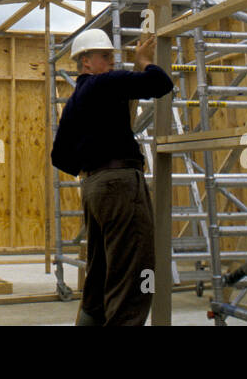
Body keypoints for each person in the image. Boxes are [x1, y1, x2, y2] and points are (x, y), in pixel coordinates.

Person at [51, 29, 173, 326]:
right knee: (137, 274)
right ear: (86, 62)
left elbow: (60, 157)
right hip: (120, 184)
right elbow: (161, 83)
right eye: (104, 56)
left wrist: (91, 161)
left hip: (94, 187)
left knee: (101, 272)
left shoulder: (74, 100)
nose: (111, 62)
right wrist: (144, 61)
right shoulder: (103, 84)